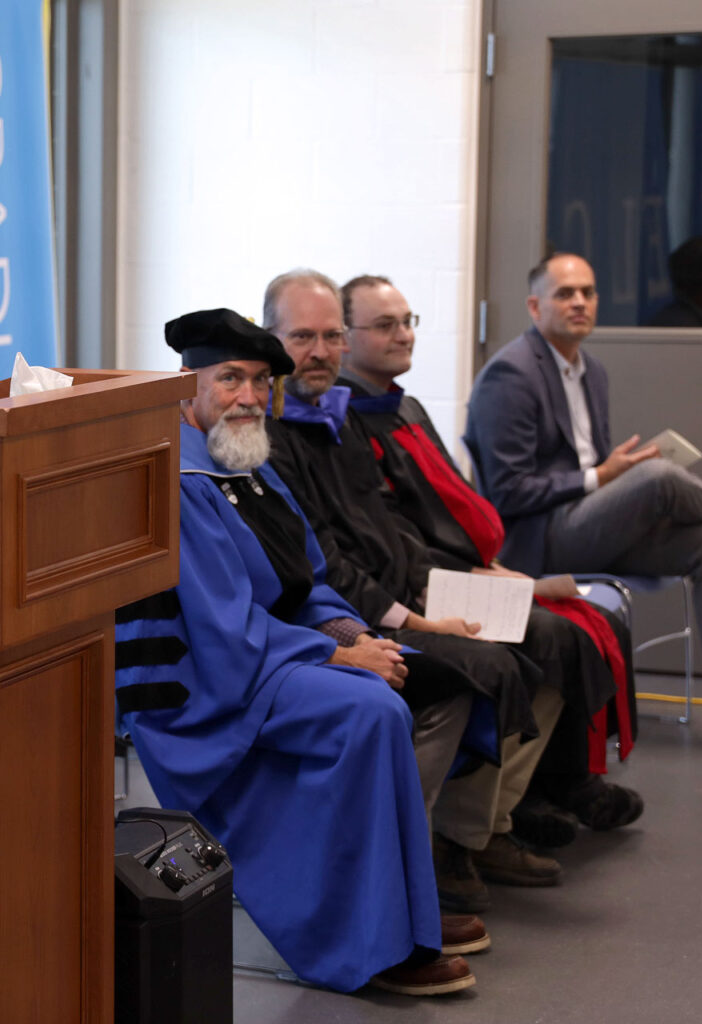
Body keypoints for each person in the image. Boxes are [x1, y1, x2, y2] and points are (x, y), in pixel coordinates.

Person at [117, 308, 485, 997]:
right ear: (184, 384)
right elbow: (222, 628)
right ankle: (357, 941)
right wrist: (335, 659)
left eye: (259, 381)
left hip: (261, 662)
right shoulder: (181, 479)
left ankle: (403, 917)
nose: (250, 397)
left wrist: (355, 634)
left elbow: (308, 582)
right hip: (202, 691)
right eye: (229, 379)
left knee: (406, 689)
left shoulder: (249, 465)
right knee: (369, 712)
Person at [260, 269, 629, 909]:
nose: (319, 351)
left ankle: (489, 825)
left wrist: (459, 582)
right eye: (301, 337)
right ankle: (450, 843)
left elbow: (391, 532)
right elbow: (325, 566)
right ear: (270, 340)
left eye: (329, 336)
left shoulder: (341, 418)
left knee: (554, 635)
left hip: (410, 589)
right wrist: (419, 619)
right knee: (495, 662)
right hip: (350, 616)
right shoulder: (269, 438)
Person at [466, 253, 702, 762]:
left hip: (587, 524)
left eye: (588, 293)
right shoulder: (510, 374)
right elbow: (507, 494)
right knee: (657, 475)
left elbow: (594, 473)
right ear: (534, 306)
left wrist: (613, 486)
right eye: (565, 294)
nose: (579, 303)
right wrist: (604, 477)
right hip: (535, 540)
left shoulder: (591, 371)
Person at [327, 272, 645, 838]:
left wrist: (500, 572)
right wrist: (489, 579)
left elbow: (452, 512)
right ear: (346, 337)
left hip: (463, 570)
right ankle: (508, 814)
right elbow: (396, 540)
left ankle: (552, 786)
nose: (403, 335)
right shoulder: (345, 424)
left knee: (590, 620)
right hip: (424, 587)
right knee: (552, 633)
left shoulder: (406, 407)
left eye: (407, 322)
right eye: (385, 325)